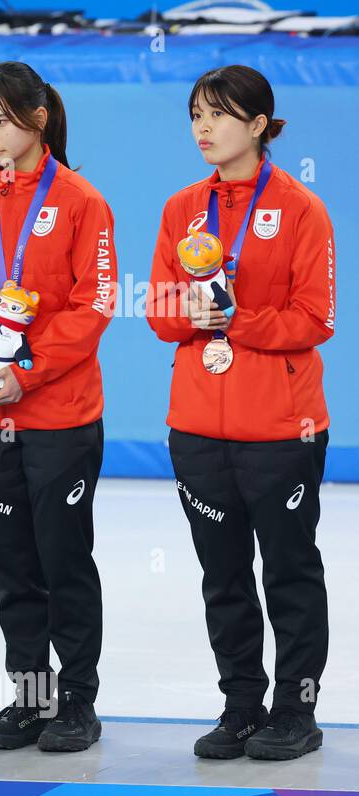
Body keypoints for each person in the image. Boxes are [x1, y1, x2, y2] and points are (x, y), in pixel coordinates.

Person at [145, 65, 335, 761]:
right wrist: (186, 313)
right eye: (195, 113)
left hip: (280, 427)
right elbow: (158, 309)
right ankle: (241, 707)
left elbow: (316, 317)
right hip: (196, 427)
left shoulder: (301, 208)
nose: (202, 127)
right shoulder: (181, 208)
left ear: (258, 125)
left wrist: (239, 318)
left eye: (219, 114)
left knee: (288, 572)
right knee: (222, 575)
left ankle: (297, 711)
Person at [0, 61, 117, 752]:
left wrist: (29, 370)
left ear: (38, 119)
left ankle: (77, 702)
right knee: (10, 563)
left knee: (62, 559)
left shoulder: (80, 202)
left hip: (59, 415)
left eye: (2, 120)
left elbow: (92, 303)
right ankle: (30, 696)